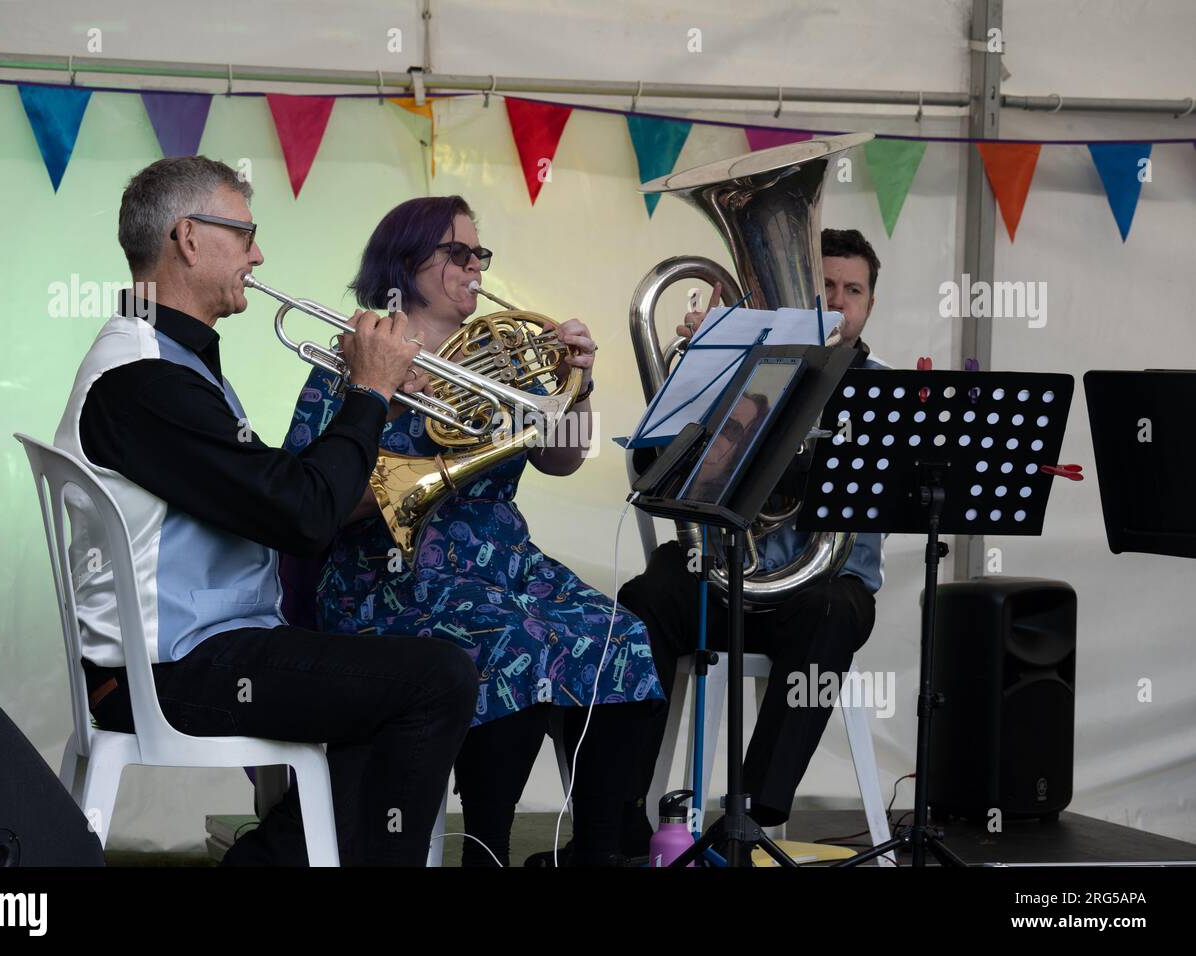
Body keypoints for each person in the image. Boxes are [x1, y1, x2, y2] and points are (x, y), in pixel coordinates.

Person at [54, 156, 478, 866]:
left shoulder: (165, 363)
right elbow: (305, 518)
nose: (259, 255)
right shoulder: (143, 381)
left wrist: (372, 398)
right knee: (435, 680)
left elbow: (278, 490)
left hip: (192, 654)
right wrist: (370, 393)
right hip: (173, 670)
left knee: (392, 686)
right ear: (188, 238)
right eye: (244, 234)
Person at [280, 195, 663, 866]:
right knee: (508, 640)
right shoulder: (353, 358)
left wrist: (581, 383)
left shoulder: (507, 354)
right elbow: (310, 495)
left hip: (503, 562)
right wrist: (399, 416)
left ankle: (600, 850)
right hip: (388, 574)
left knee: (620, 638)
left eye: (478, 254)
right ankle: (487, 849)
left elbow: (563, 459)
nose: (473, 268)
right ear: (404, 262)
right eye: (456, 253)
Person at [618, 227, 888, 845]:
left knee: (836, 611)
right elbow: (650, 473)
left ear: (871, 305)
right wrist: (702, 374)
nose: (839, 301)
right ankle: (618, 818)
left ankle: (751, 818)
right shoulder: (744, 367)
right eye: (823, 286)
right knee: (647, 597)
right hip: (721, 581)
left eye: (854, 290)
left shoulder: (881, 392)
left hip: (816, 592)